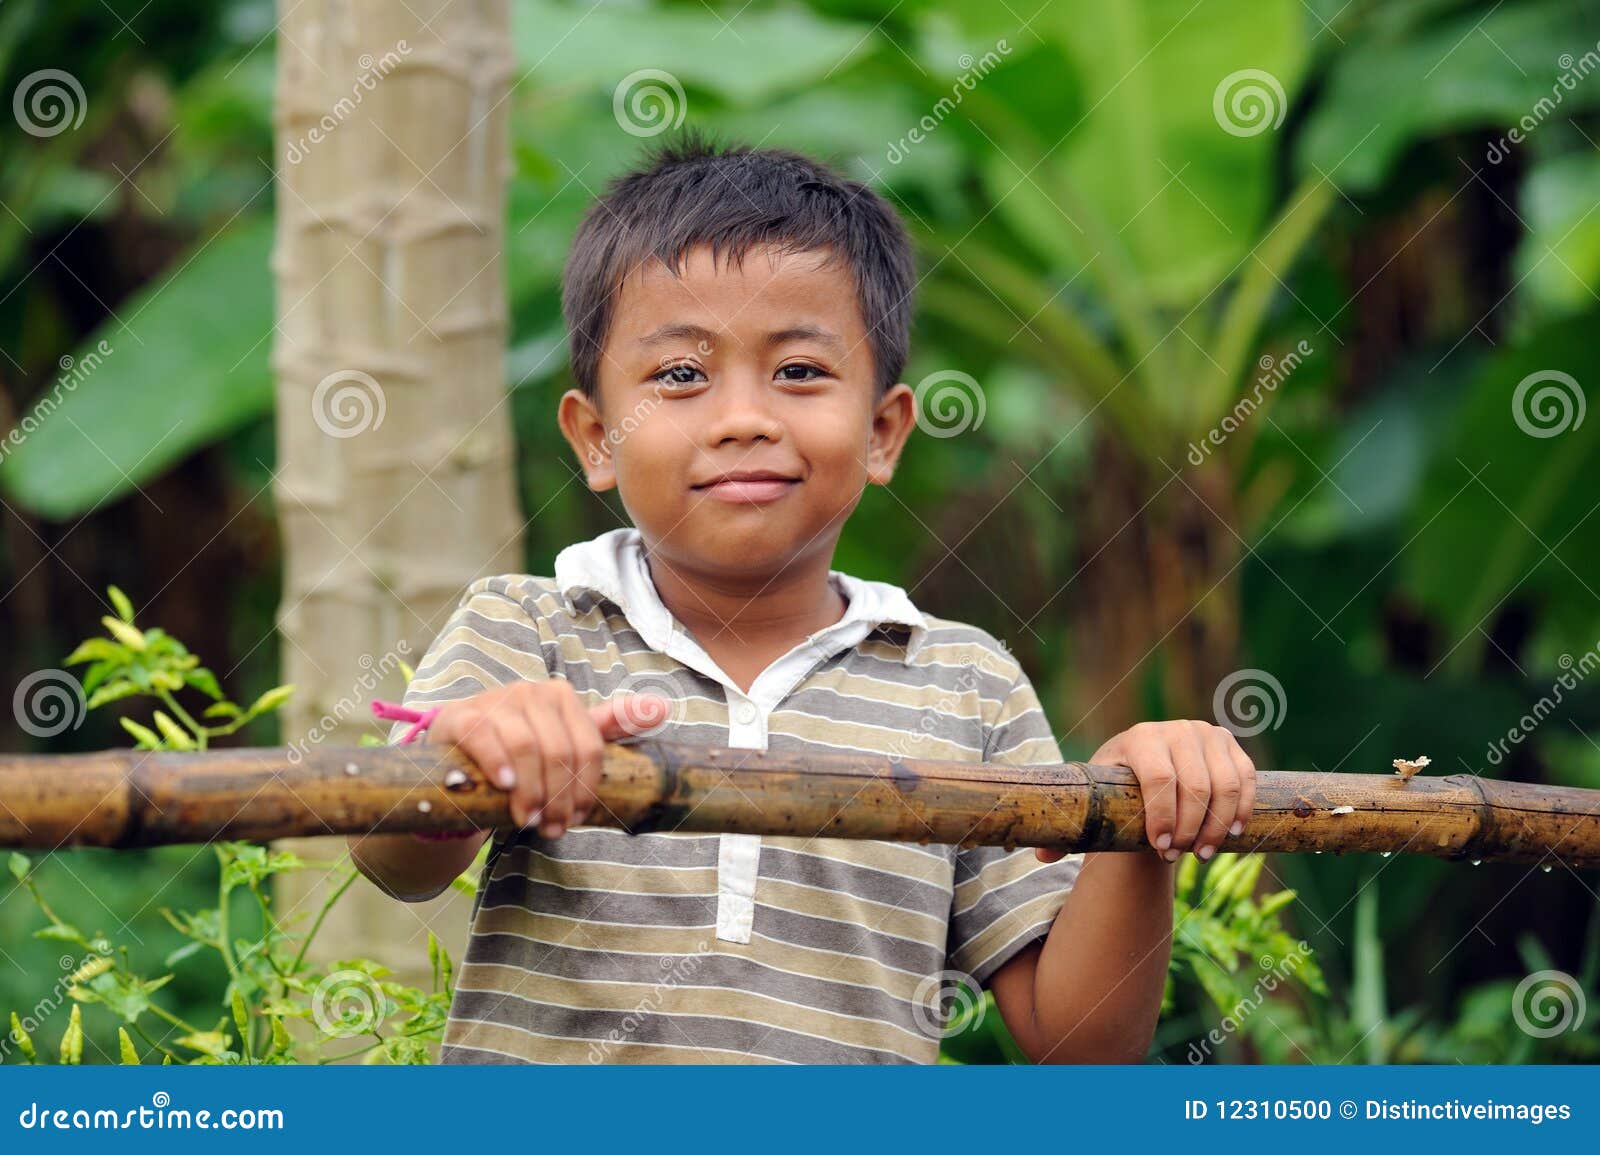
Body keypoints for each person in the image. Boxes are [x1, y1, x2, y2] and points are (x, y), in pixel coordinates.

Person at [348, 133, 1256, 1064]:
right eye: (680, 376)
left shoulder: (965, 685)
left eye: (799, 372)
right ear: (595, 438)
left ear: (882, 431)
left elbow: (1083, 1050)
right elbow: (392, 860)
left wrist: (1137, 814)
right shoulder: (528, 627)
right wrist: (478, 753)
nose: (745, 417)